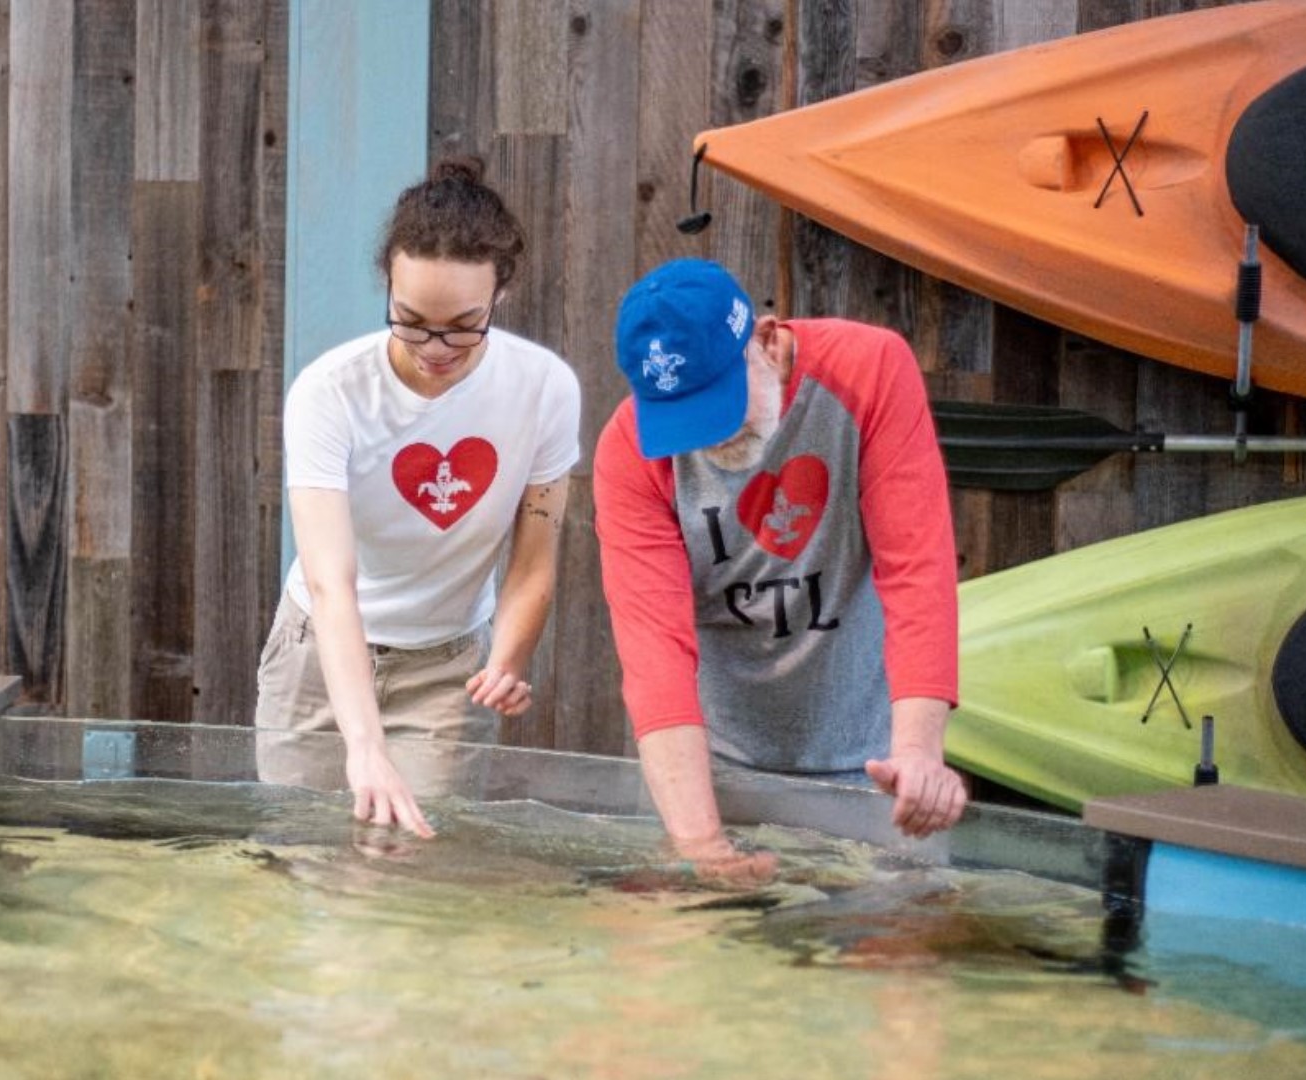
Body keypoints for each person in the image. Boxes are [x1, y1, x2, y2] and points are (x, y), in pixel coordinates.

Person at [594, 258, 967, 883]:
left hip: (868, 760)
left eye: (721, 405)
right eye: (686, 421)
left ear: (764, 340)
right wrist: (700, 844)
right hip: (709, 768)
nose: (711, 440)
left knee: (901, 950)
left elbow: (917, 570)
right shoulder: (629, 450)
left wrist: (919, 754)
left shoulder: (871, 368)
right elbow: (654, 650)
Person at [255, 157, 582, 837]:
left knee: (411, 865)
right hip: (319, 653)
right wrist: (364, 745)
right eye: (411, 320)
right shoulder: (330, 391)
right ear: (387, 284)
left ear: (501, 295)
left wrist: (508, 660)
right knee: (297, 852)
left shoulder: (545, 388)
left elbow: (533, 558)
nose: (436, 347)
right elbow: (330, 581)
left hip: (445, 666)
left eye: (464, 325)